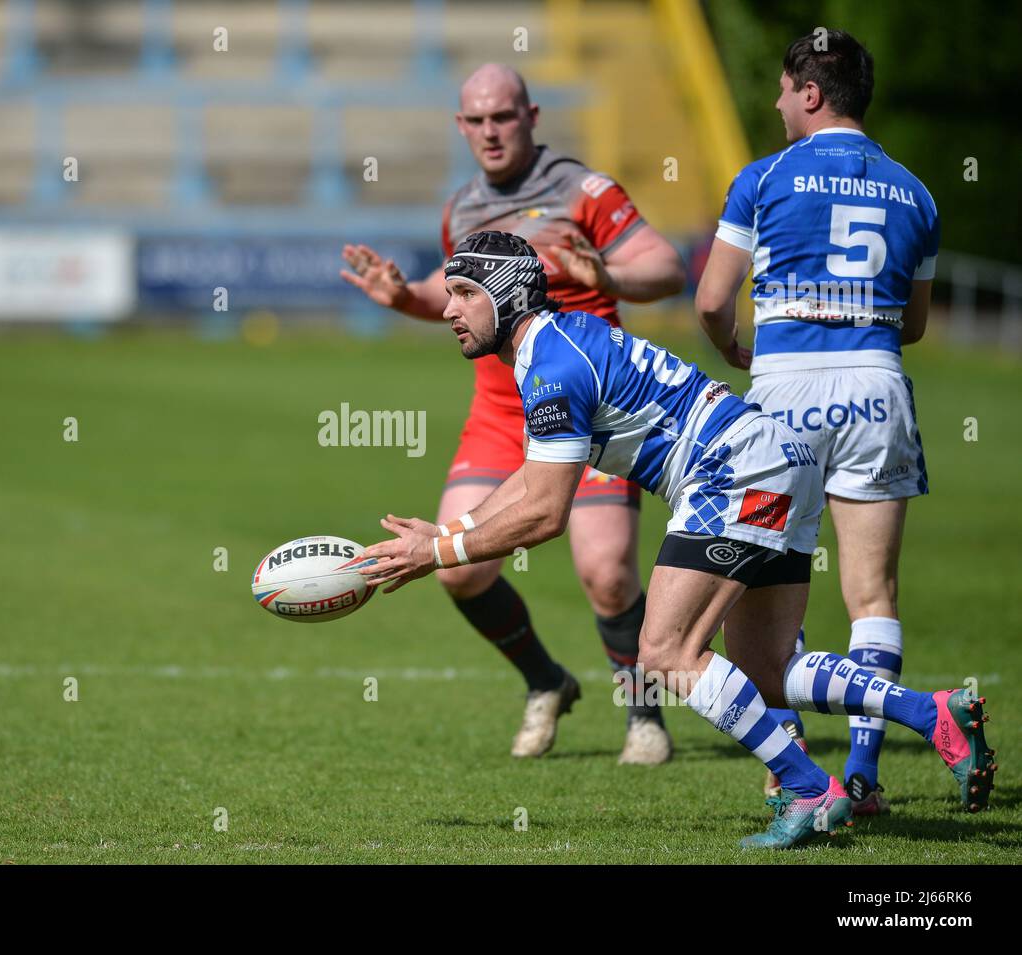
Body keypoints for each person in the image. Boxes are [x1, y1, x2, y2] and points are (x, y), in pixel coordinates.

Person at [358, 231, 994, 849]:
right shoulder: (556, 345)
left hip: (733, 470)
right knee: (767, 672)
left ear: (506, 293)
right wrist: (453, 530)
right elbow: (534, 475)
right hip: (774, 458)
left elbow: (547, 514)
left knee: (663, 652)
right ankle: (932, 713)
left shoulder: (551, 362)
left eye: (464, 292)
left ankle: (809, 788)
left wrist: (436, 554)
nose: (447, 310)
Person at [340, 63, 685, 763]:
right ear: (461, 127)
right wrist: (405, 296)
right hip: (501, 413)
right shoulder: (462, 206)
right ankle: (546, 682)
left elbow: (667, 268)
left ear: (530, 116)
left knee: (609, 569)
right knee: (459, 570)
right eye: (477, 120)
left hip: (585, 407)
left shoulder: (584, 190)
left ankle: (643, 715)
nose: (491, 131)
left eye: (504, 116)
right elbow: (455, 288)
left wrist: (610, 276)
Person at [694, 30, 939, 813]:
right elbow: (915, 324)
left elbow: (708, 298)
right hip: (877, 390)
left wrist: (731, 341)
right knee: (873, 596)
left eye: (780, 89)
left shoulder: (763, 179)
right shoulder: (917, 191)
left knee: (761, 583)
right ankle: (864, 777)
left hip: (784, 398)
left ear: (809, 93)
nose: (773, 104)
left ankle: (792, 753)